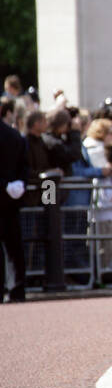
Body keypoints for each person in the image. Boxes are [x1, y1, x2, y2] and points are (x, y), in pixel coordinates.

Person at [1, 98, 29, 302]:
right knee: (13, 246)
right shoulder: (14, 135)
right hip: (11, 197)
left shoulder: (14, 135)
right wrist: (19, 184)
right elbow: (24, 166)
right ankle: (17, 288)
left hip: (7, 194)